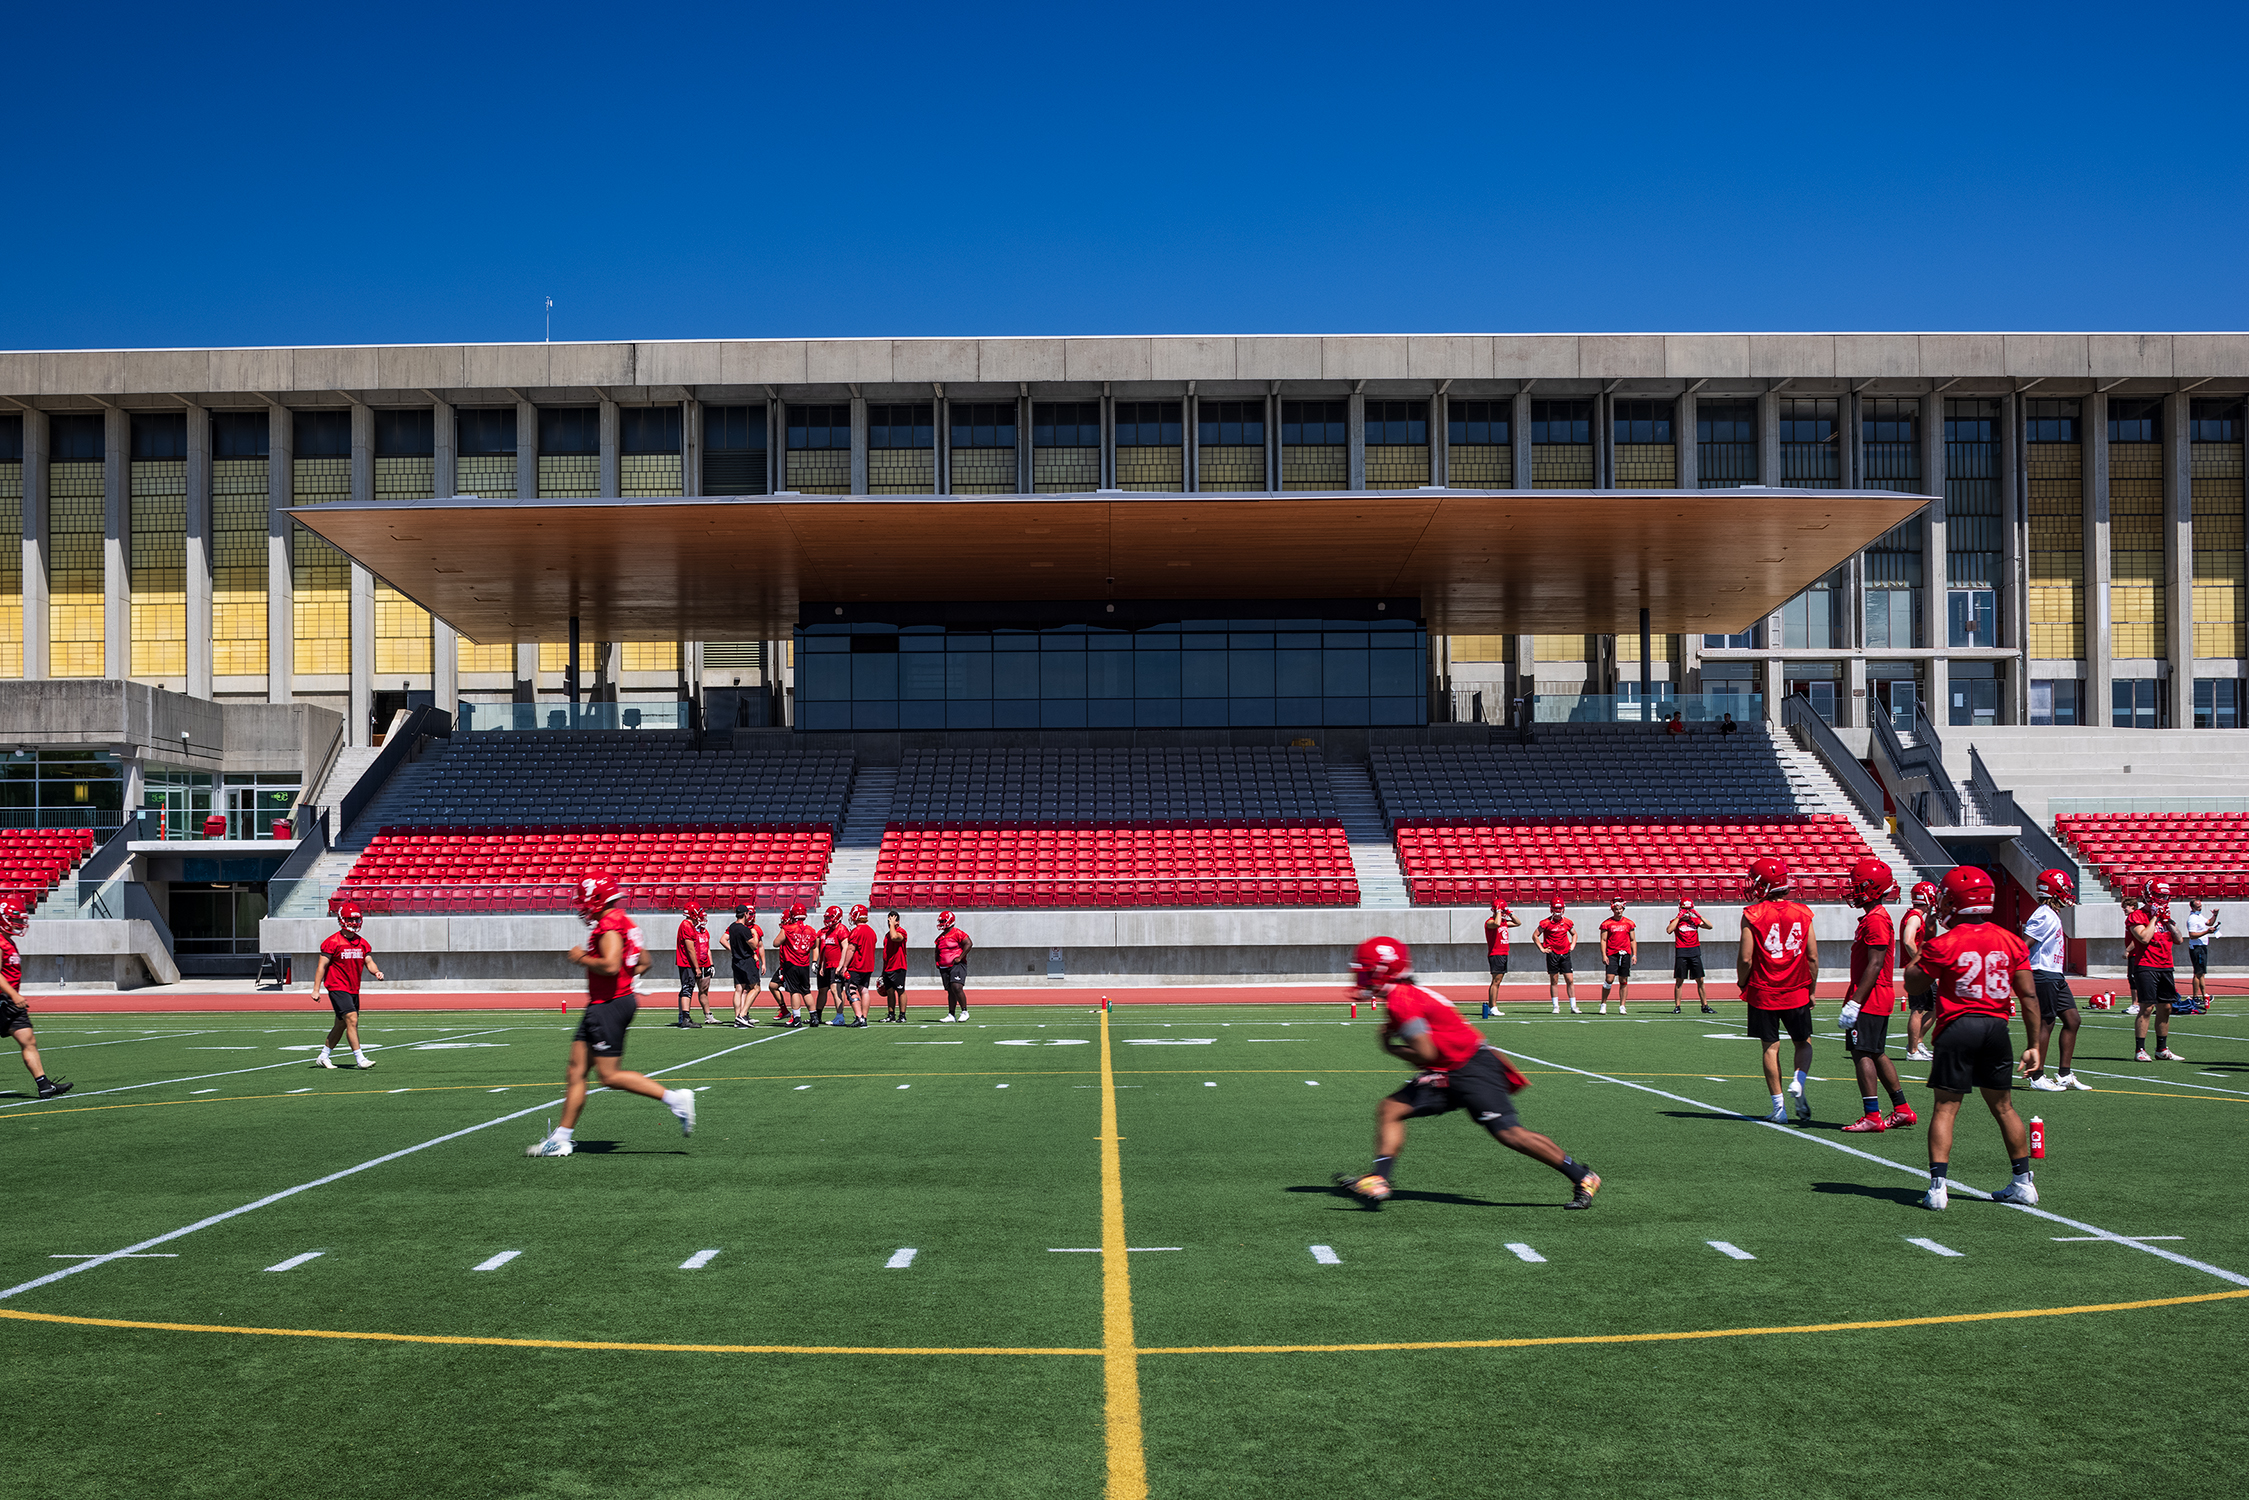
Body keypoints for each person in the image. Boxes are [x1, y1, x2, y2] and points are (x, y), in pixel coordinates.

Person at [1332, 936, 1601, 1212]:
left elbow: (1426, 1055)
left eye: (1366, 970)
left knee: (1510, 1134)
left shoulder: (1402, 999)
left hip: (1470, 1067)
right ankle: (1379, 1180)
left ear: (1383, 970)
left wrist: (1392, 1049)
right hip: (1450, 1068)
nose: (1361, 976)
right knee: (1390, 1109)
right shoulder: (1404, 994)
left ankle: (1583, 1177)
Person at [525, 873, 697, 1158]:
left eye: (585, 900)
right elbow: (645, 961)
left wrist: (580, 957)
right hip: (607, 1003)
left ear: (596, 898)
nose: (582, 906)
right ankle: (562, 1138)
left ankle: (674, 1099)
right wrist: (628, 981)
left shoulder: (608, 925)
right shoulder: (623, 921)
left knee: (608, 1075)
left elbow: (610, 965)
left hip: (607, 1005)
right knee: (576, 1069)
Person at [1904, 866, 2040, 1210]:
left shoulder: (1947, 942)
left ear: (1954, 901)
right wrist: (2035, 1044)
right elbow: (2028, 996)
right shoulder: (2010, 939)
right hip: (1996, 1029)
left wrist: (1927, 943)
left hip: (1958, 1028)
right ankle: (2023, 1183)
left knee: (1946, 1109)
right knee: (2004, 1107)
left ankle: (1937, 1189)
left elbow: (1913, 983)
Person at [1838, 857, 1916, 1132]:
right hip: (1875, 995)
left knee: (1862, 1054)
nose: (1853, 891)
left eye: (1858, 886)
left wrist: (1855, 1002)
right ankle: (1903, 1109)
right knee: (1877, 1052)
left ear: (1872, 887)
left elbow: (1875, 963)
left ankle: (1872, 1115)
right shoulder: (1875, 918)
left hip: (1871, 996)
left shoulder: (1876, 920)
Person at [1739, 856, 1817, 1123]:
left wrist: (1741, 981)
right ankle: (1799, 1079)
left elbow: (1746, 958)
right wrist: (1813, 989)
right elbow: (1813, 957)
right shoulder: (1804, 913)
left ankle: (1779, 1108)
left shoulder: (1752, 914)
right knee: (1803, 1043)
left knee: (1770, 1048)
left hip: (1764, 989)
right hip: (1796, 989)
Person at [2023, 869, 2088, 1091]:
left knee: (2073, 1020)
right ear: (2054, 890)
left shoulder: (2051, 913)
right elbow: (2025, 944)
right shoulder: (2043, 914)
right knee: (2046, 1023)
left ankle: (2064, 1074)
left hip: (2054, 974)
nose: (2069, 893)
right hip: (2042, 973)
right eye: (2065, 889)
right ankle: (2037, 1076)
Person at [0, 898, 69, 1099]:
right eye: (14, 919)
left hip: (11, 1004)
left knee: (28, 1041)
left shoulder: (9, 941)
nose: (19, 923)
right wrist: (13, 993)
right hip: (5, 1000)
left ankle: (44, 1085)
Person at [312, 902, 382, 1070]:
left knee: (341, 1024)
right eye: (350, 919)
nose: (354, 923)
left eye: (356, 919)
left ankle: (323, 1056)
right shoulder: (332, 942)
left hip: (353, 988)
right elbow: (321, 966)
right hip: (337, 986)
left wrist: (376, 972)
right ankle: (360, 1059)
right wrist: (316, 989)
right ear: (342, 919)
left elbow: (368, 961)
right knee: (352, 1019)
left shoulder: (362, 943)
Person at [2127, 879, 2184, 1062]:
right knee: (2147, 1007)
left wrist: (2167, 921)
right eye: (2159, 895)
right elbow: (2143, 937)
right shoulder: (2137, 915)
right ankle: (2140, 1049)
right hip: (2146, 965)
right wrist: (2155, 918)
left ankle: (2162, 1048)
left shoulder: (2165, 916)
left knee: (2166, 1006)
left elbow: (2179, 939)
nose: (2162, 899)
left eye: (2164, 896)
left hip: (2166, 965)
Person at [1901, 880, 1939, 1061]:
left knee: (1935, 1007)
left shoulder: (1919, 916)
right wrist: (1920, 961)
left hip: (1924, 970)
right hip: (1919, 970)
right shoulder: (1915, 917)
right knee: (1918, 1009)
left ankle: (1918, 1042)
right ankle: (1913, 1051)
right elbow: (1908, 940)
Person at [671, 902, 713, 1028]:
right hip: (686, 963)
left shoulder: (688, 925)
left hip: (686, 962)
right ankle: (685, 1018)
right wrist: (696, 967)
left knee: (687, 988)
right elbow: (690, 949)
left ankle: (683, 1017)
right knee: (687, 988)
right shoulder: (687, 925)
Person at [1668, 899, 1714, 1013]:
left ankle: (1705, 1006)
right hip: (1681, 952)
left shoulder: (1695, 920)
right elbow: (1669, 930)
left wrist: (1698, 915)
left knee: (1700, 980)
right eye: (1685, 909)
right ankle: (1677, 1006)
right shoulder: (1676, 921)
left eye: (1689, 909)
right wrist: (1679, 917)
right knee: (1679, 980)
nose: (1687, 912)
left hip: (1694, 951)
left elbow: (1710, 926)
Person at [776, 902, 816, 1027]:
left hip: (791, 964)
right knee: (806, 991)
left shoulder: (787, 929)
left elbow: (776, 942)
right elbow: (814, 946)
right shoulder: (811, 930)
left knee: (794, 992)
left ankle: (797, 1018)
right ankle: (814, 1017)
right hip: (804, 965)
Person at [723, 905, 764, 1028]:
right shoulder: (744, 929)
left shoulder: (732, 927)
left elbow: (723, 940)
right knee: (756, 988)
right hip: (747, 961)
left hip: (736, 961)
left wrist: (733, 951)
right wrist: (755, 934)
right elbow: (755, 945)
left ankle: (737, 1017)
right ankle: (743, 1014)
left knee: (739, 989)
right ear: (746, 914)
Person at [1535, 899, 1578, 1014]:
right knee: (1554, 980)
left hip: (1565, 954)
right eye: (1556, 908)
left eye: (1560, 908)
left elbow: (1574, 934)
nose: (1558, 911)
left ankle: (1573, 1006)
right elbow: (1535, 935)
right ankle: (1556, 1006)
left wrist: (1572, 945)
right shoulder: (1545, 923)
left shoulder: (1568, 922)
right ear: (1551, 909)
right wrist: (1542, 948)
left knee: (1569, 979)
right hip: (1552, 954)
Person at [1481, 894, 1520, 1018]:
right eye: (1501, 911)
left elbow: (1518, 923)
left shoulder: (1503, 922)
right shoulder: (1490, 922)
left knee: (1498, 981)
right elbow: (1496, 924)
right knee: (1496, 981)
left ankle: (1492, 1006)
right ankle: (1493, 1007)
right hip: (1495, 953)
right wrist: (1498, 911)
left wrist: (1508, 913)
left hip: (1503, 953)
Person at [1597, 899, 1636, 1014]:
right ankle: (1603, 1003)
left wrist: (1634, 954)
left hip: (1625, 953)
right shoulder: (1606, 924)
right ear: (1612, 910)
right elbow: (1603, 940)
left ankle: (1622, 1005)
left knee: (1623, 979)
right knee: (1609, 979)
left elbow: (1633, 940)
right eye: (1616, 909)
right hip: (1612, 953)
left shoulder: (1629, 923)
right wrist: (1604, 955)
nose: (1618, 911)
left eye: (1620, 909)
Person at [843, 904, 879, 1028]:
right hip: (868, 966)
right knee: (864, 990)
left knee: (851, 990)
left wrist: (844, 966)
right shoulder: (872, 931)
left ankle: (859, 1017)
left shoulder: (856, 931)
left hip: (857, 966)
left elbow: (851, 950)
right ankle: (864, 1017)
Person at [934, 911, 973, 1021]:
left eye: (943, 921)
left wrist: (960, 957)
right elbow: (937, 950)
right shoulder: (940, 938)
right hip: (944, 967)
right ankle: (951, 1014)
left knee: (957, 987)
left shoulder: (957, 933)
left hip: (956, 965)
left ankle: (964, 1011)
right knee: (950, 990)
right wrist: (937, 962)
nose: (941, 923)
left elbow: (969, 943)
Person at [815, 905, 848, 1026]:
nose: (828, 919)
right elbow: (825, 949)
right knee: (822, 990)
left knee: (836, 989)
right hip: (827, 965)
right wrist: (822, 964)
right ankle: (817, 1016)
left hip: (836, 965)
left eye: (830, 917)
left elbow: (845, 948)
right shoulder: (828, 931)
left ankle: (840, 1016)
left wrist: (841, 965)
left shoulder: (841, 929)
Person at [2186, 898, 2220, 1010]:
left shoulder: (2199, 916)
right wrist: (2206, 932)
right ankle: (2196, 996)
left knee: (2201, 973)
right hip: (2197, 947)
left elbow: (2209, 922)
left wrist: (2215, 915)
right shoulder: (2192, 919)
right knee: (2198, 973)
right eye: (2197, 907)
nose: (2200, 908)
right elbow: (2192, 935)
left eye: (2200, 906)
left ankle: (2204, 994)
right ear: (2192, 907)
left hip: (2202, 946)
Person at [879, 911, 909, 1022]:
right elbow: (886, 953)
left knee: (900, 990)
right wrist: (883, 970)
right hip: (888, 968)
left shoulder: (901, 932)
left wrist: (892, 925)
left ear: (897, 921)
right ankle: (891, 1015)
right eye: (888, 920)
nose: (889, 923)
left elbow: (895, 937)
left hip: (898, 967)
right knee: (890, 992)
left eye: (891, 920)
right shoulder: (887, 935)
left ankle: (902, 1015)